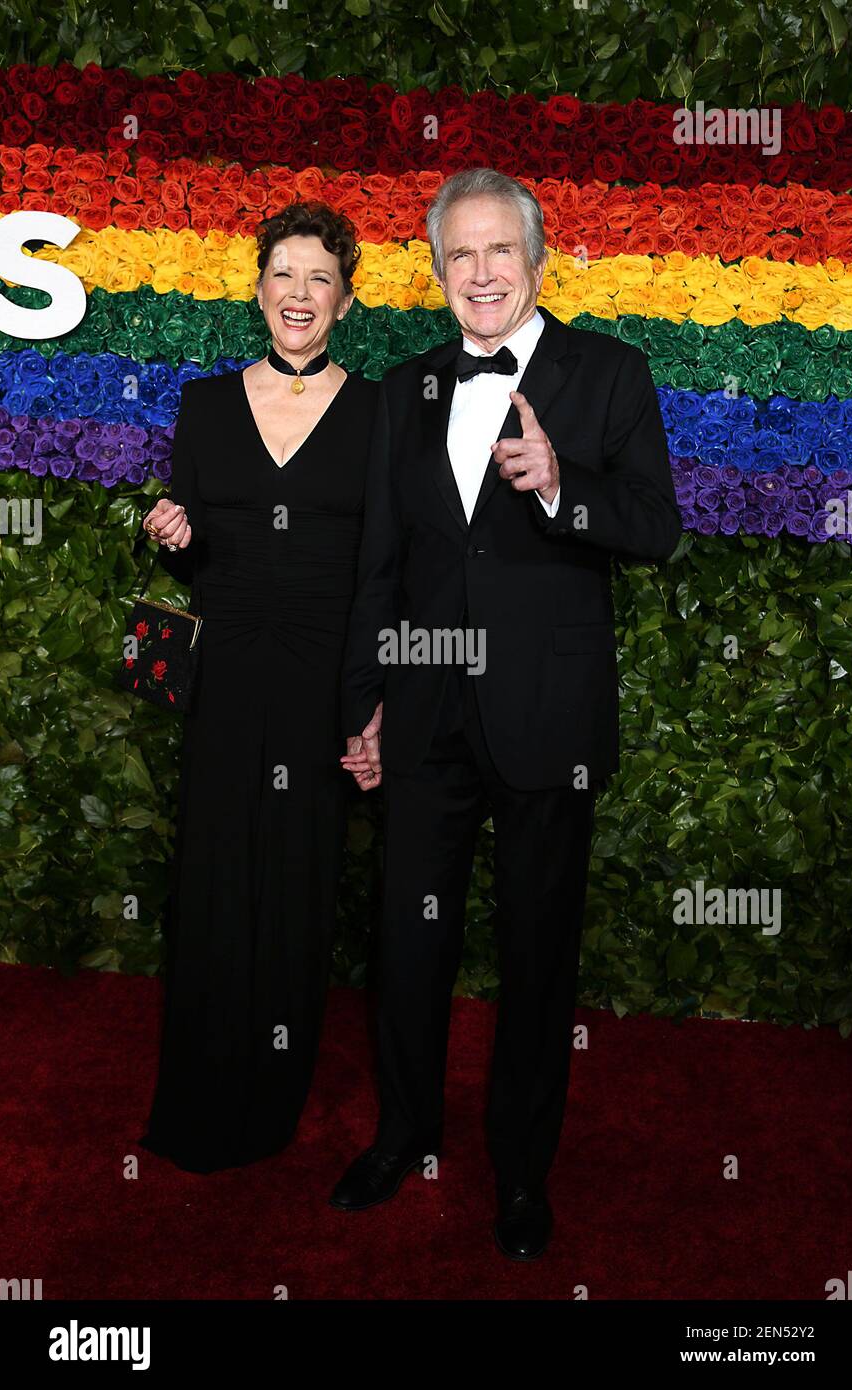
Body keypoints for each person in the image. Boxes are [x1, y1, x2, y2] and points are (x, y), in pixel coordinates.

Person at [333, 168, 682, 1258]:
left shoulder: (609, 373)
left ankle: (522, 1176)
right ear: (436, 271)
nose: (479, 274)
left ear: (536, 260)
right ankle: (403, 1133)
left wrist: (556, 484)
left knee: (538, 959)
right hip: (427, 711)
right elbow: (379, 564)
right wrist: (367, 705)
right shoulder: (404, 388)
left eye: (498, 252)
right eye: (458, 256)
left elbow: (655, 526)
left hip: (546, 721)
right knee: (406, 946)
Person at [137, 202, 379, 1173]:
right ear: (257, 288)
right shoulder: (202, 404)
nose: (298, 294)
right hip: (227, 672)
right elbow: (189, 558)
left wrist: (372, 696)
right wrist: (169, 535)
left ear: (345, 302)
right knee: (213, 879)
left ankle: (272, 1097)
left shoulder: (378, 412)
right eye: (283, 273)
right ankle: (198, 1092)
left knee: (297, 883)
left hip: (321, 677)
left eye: (318, 278)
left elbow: (385, 567)